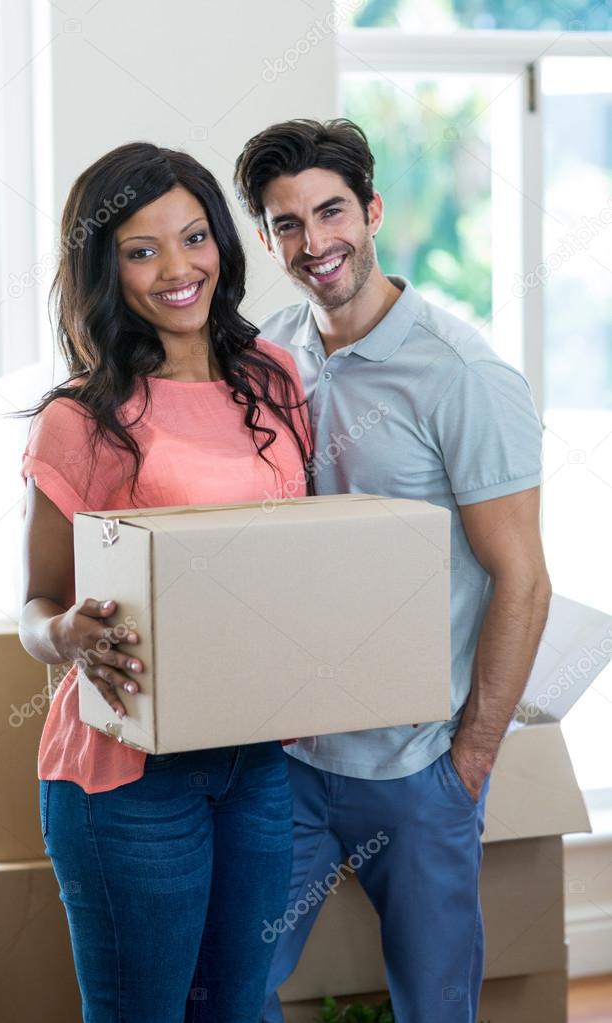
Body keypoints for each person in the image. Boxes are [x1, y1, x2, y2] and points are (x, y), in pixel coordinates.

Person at [234, 119, 552, 1023]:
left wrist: (472, 758)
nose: (313, 241)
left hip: (417, 765)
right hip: (287, 753)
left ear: (372, 211)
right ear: (265, 238)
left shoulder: (462, 376)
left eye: (331, 210)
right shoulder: (270, 354)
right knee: (225, 987)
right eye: (286, 222)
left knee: (435, 1002)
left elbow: (522, 580)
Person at [18, 141, 313, 1023]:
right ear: (107, 268)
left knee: (242, 1010)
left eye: (194, 237)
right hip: (127, 776)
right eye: (142, 250)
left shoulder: (274, 379)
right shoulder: (81, 416)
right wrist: (64, 632)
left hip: (257, 758)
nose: (178, 269)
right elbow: (34, 608)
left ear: (223, 240)